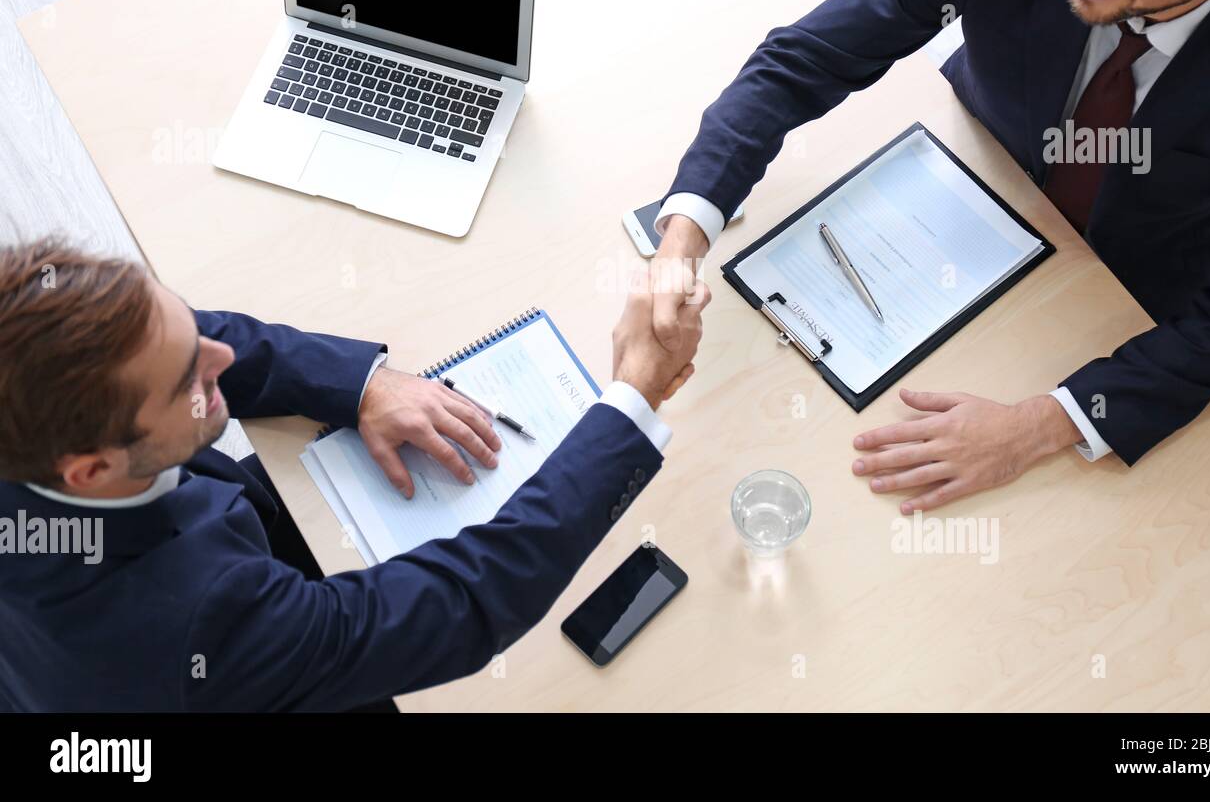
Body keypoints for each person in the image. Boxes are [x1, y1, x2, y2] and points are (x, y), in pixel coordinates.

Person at [648, 0, 1210, 513]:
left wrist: (1037, 426)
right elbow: (804, 59)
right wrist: (680, 244)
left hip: (1117, 290)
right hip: (967, 179)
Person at [0, 238, 709, 711]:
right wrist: (631, 400)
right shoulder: (197, 620)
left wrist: (361, 384)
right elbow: (461, 604)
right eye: (191, 379)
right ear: (92, 470)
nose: (220, 356)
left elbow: (201, 341)